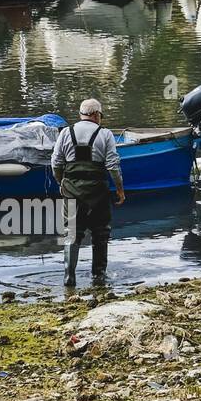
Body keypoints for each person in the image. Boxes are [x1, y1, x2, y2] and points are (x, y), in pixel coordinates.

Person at [51, 97, 125, 287]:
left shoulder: (66, 133)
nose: (101, 118)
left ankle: (69, 277)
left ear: (81, 114)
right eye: (100, 115)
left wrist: (61, 182)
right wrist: (119, 189)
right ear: (95, 115)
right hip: (98, 194)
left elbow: (56, 163)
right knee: (100, 234)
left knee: (71, 233)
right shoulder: (105, 134)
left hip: (71, 194)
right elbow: (113, 166)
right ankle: (98, 277)